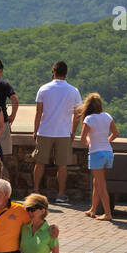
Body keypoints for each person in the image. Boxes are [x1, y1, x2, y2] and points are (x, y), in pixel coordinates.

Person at [33, 61, 81, 204]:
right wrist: (73, 131)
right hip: (64, 132)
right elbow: (77, 114)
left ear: (53, 71)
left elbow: (38, 112)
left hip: (45, 130)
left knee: (40, 162)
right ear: (66, 73)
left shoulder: (43, 89)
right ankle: (61, 194)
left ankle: (35, 191)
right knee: (62, 165)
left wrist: (35, 131)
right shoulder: (74, 91)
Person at [77, 93, 119, 222]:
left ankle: (107, 213)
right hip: (108, 153)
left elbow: (83, 138)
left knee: (100, 185)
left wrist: (89, 142)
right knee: (97, 181)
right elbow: (115, 133)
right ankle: (93, 209)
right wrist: (106, 140)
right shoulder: (107, 116)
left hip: (96, 153)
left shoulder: (89, 119)